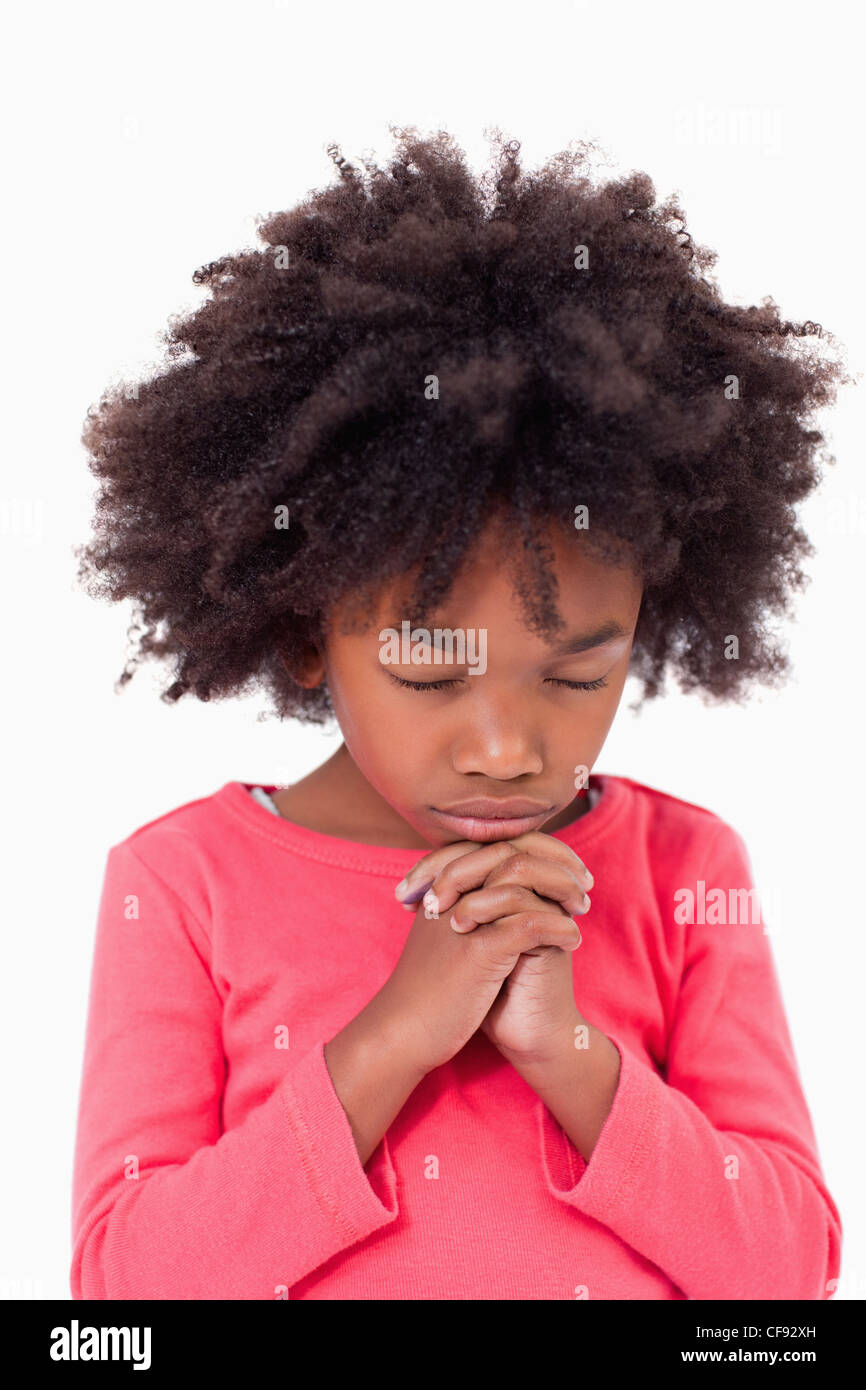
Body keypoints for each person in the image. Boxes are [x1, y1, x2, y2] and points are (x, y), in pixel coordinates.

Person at [70, 127, 845, 1300]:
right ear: (297, 631)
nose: (504, 749)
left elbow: (785, 1274)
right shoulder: (181, 884)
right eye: (431, 678)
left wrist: (570, 1057)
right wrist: (392, 1036)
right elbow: (126, 1293)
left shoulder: (687, 867)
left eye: (578, 677)